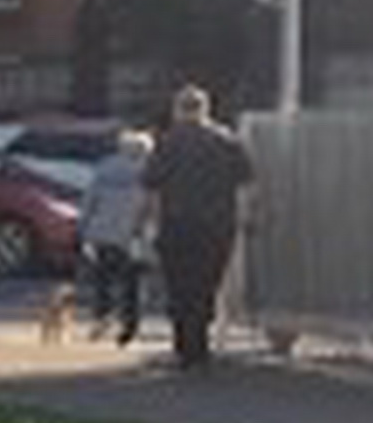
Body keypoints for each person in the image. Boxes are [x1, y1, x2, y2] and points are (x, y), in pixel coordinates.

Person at [142, 82, 255, 371]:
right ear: (206, 109)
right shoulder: (227, 141)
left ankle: (184, 347)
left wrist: (151, 223)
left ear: (178, 110)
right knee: (206, 285)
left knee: (179, 286)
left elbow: (152, 188)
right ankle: (200, 347)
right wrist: (243, 218)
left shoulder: (167, 143)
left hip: (176, 223)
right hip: (217, 224)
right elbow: (245, 183)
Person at [74, 127, 152, 343]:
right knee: (131, 283)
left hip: (102, 232)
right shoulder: (149, 171)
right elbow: (152, 205)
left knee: (103, 280)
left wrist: (83, 228)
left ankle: (102, 318)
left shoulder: (105, 167)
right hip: (133, 236)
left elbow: (90, 199)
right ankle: (130, 325)